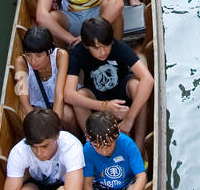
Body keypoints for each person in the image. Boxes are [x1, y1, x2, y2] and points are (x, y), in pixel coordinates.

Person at [65, 16, 154, 149]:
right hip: (96, 95)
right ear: (86, 45)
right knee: (79, 96)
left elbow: (148, 79)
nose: (102, 52)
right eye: (96, 48)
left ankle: (139, 146)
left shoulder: (118, 46)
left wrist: (129, 118)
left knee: (137, 86)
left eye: (106, 46)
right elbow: (68, 94)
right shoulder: (78, 53)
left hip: (122, 91)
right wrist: (105, 106)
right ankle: (95, 144)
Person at [14, 24, 78, 131]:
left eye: (39, 56)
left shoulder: (60, 55)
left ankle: (77, 140)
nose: (33, 61)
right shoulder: (20, 62)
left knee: (68, 115)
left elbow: (59, 94)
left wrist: (53, 128)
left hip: (59, 102)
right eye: (28, 55)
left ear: (49, 52)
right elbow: (24, 102)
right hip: (37, 107)